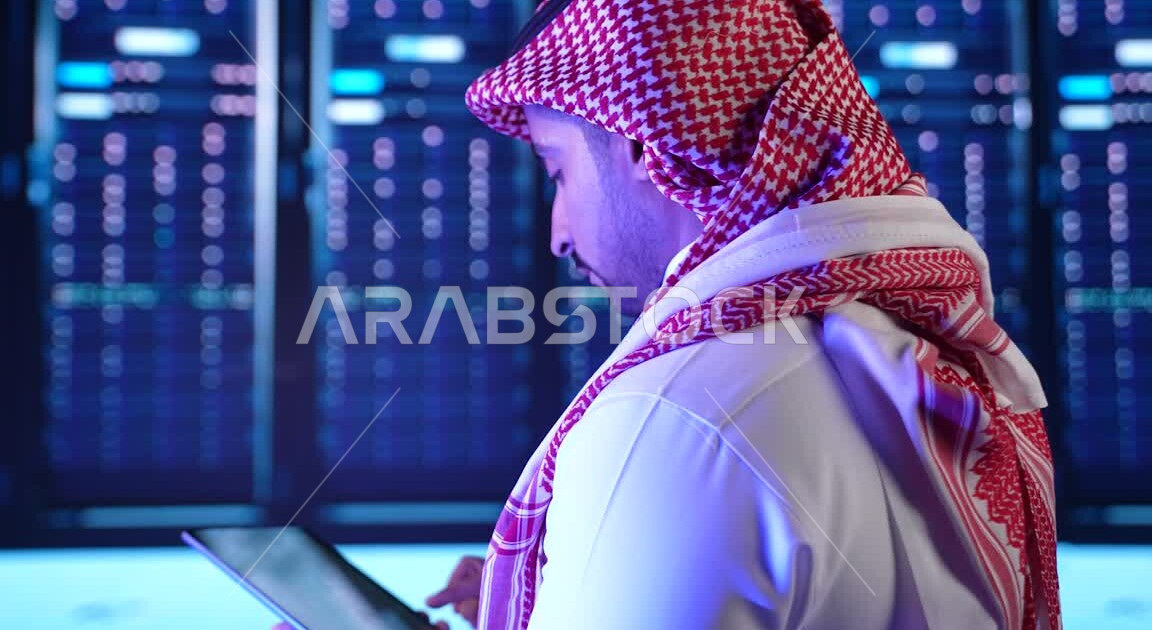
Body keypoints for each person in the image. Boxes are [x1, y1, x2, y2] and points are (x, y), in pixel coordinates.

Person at [420, 0, 1060, 629]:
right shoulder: (904, 347)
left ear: (643, 143)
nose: (556, 234)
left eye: (557, 171)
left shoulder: (670, 414)